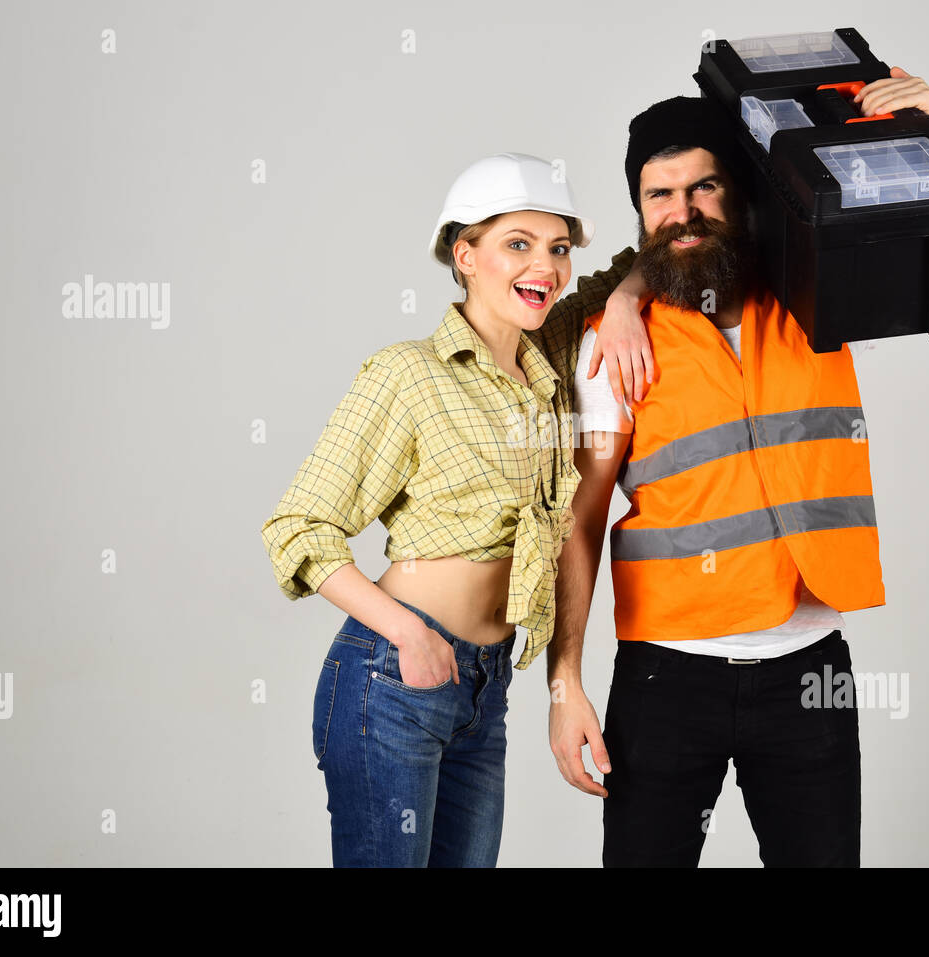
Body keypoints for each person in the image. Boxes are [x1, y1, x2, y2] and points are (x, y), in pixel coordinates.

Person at [548, 71, 929, 866]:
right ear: (638, 213)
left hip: (810, 675)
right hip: (666, 679)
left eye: (703, 185)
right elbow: (581, 519)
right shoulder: (615, 343)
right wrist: (564, 684)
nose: (684, 212)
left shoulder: (822, 301)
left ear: (739, 191)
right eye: (659, 195)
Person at [260, 153, 645, 867]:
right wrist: (407, 633)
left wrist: (621, 301)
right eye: (517, 244)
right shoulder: (408, 373)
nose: (547, 265)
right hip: (392, 678)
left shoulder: (549, 355)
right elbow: (298, 526)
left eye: (558, 247)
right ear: (464, 255)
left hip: (484, 687)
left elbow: (639, 261)